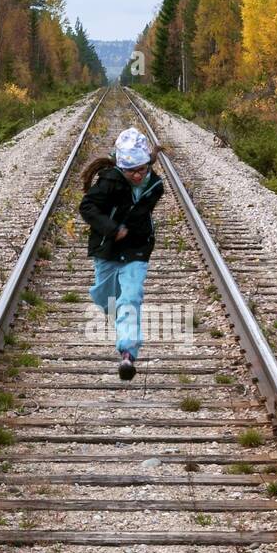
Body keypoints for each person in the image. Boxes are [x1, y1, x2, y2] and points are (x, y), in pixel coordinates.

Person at [79, 126, 164, 381]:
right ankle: (121, 321)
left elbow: (140, 212)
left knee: (131, 298)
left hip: (136, 249)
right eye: (131, 171)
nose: (138, 176)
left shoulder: (155, 186)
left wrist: (133, 230)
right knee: (104, 297)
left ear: (147, 164)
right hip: (107, 248)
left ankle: (127, 353)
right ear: (121, 168)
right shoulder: (108, 181)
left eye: (142, 169)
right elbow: (87, 207)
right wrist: (113, 228)